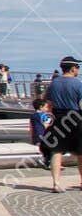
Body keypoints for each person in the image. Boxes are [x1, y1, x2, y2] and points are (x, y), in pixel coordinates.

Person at [40, 56, 82, 193]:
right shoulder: (78, 84)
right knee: (80, 152)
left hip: (58, 117)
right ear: (73, 68)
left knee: (56, 151)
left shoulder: (53, 84)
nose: (78, 70)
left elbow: (47, 103)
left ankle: (56, 184)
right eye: (78, 67)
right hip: (75, 117)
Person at [31, 94, 55, 174]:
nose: (47, 109)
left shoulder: (33, 115)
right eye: (46, 107)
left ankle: (44, 160)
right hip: (44, 136)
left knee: (45, 149)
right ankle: (48, 163)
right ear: (41, 107)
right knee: (51, 149)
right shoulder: (44, 115)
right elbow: (47, 126)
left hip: (36, 136)